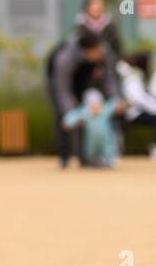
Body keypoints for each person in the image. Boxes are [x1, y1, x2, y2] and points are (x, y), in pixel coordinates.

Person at [46, 31, 122, 168]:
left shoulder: (105, 52)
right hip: (58, 80)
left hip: (84, 78)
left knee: (90, 114)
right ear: (85, 51)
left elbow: (111, 78)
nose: (100, 53)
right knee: (64, 117)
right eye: (96, 51)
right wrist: (70, 111)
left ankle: (87, 157)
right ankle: (64, 157)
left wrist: (116, 100)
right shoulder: (65, 57)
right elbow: (62, 88)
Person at [118, 53, 156, 160]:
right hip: (132, 113)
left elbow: (146, 97)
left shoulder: (137, 75)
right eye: (150, 62)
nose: (151, 65)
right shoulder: (132, 76)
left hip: (140, 111)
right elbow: (139, 98)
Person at [60, 88, 121, 167]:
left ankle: (108, 160)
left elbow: (115, 105)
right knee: (89, 150)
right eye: (92, 103)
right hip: (90, 140)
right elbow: (74, 116)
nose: (95, 105)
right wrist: (68, 122)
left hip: (106, 138)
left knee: (108, 147)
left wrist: (119, 104)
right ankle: (92, 160)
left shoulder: (105, 110)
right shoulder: (85, 112)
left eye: (97, 102)